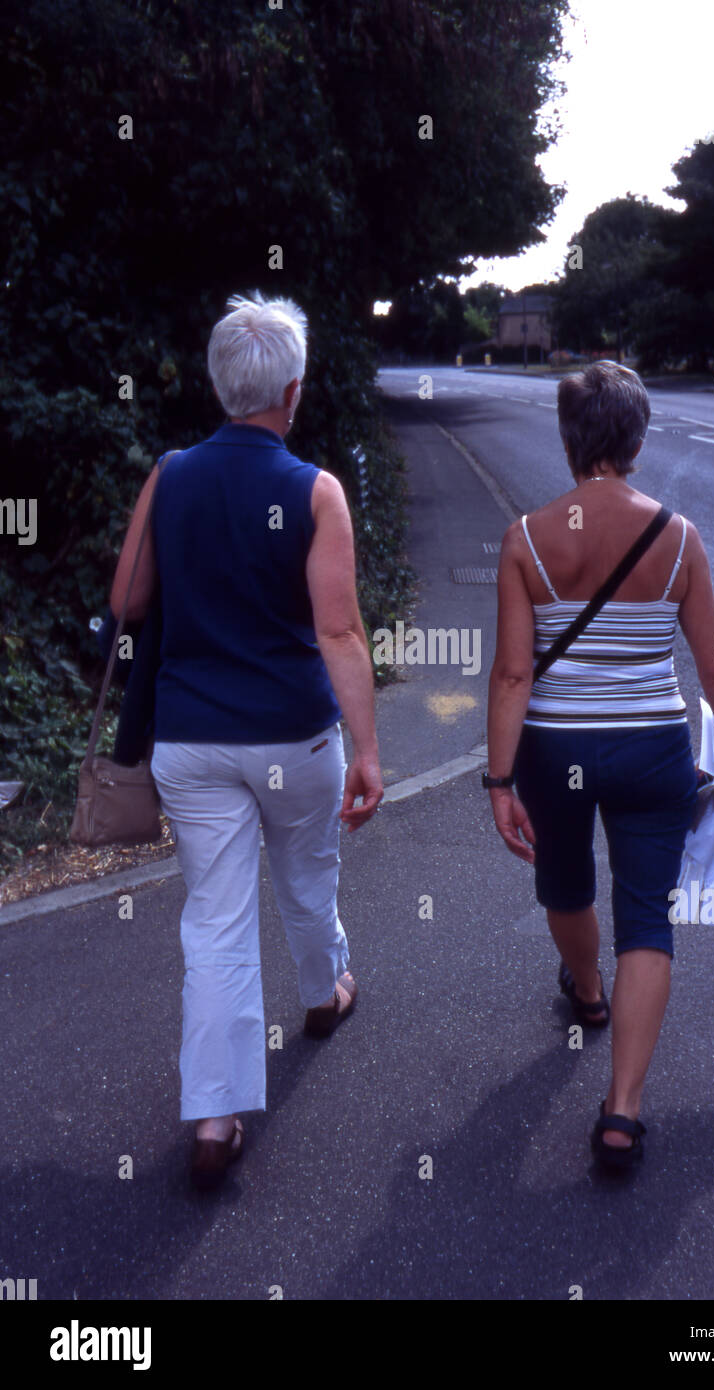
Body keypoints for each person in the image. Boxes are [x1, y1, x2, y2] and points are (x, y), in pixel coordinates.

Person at [109, 291, 383, 1187]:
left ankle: (216, 1119)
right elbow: (340, 632)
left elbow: (127, 604)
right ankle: (323, 991)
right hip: (295, 738)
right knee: (307, 878)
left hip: (190, 741)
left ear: (222, 382)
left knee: (215, 924)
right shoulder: (314, 490)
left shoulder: (170, 475)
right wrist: (370, 752)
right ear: (292, 391)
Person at [485, 361, 714, 1169]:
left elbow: (511, 674)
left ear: (569, 437)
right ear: (637, 438)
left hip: (553, 749)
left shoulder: (526, 540)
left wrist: (499, 782)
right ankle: (623, 1112)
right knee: (648, 917)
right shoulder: (678, 538)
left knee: (565, 880)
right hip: (651, 752)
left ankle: (588, 991)